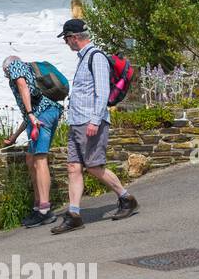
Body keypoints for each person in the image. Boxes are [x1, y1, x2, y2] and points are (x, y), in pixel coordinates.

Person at [52, 18, 139, 234]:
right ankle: (74, 215)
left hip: (90, 122)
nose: (66, 43)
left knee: (93, 167)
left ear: (73, 38)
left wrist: (95, 120)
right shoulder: (83, 59)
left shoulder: (96, 57)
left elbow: (102, 92)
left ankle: (126, 198)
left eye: (66, 39)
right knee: (73, 167)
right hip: (77, 121)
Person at [0, 55, 63, 228]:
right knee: (30, 159)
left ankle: (44, 210)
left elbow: (22, 86)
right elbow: (29, 111)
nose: (7, 77)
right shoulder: (26, 71)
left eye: (5, 73)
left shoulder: (15, 66)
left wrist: (30, 115)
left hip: (42, 116)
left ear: (7, 68)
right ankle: (38, 205)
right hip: (40, 115)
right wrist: (14, 136)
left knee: (40, 160)